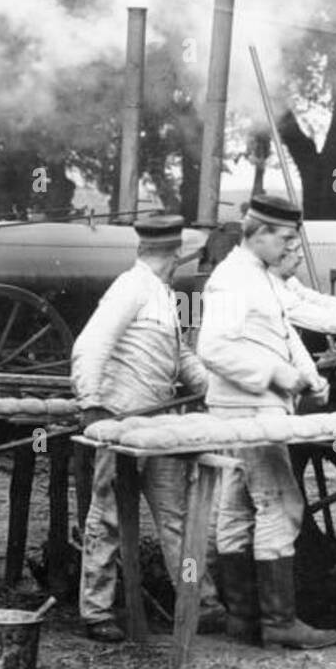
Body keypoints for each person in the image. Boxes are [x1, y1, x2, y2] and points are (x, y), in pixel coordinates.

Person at [196, 193, 336, 650]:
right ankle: (279, 622)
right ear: (258, 234)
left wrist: (309, 375)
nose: (289, 249)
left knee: (237, 508)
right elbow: (213, 349)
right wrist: (278, 374)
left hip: (238, 409)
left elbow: (279, 333)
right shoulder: (234, 280)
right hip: (251, 410)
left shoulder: (252, 275)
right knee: (280, 505)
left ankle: (243, 617)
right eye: (285, 239)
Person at [72, 214, 222, 643]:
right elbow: (89, 345)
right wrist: (92, 405)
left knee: (176, 517)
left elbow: (179, 358)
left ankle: (199, 601)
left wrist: (213, 387)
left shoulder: (162, 294)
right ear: (174, 255)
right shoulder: (130, 288)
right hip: (122, 423)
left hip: (158, 426)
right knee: (109, 517)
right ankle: (96, 610)